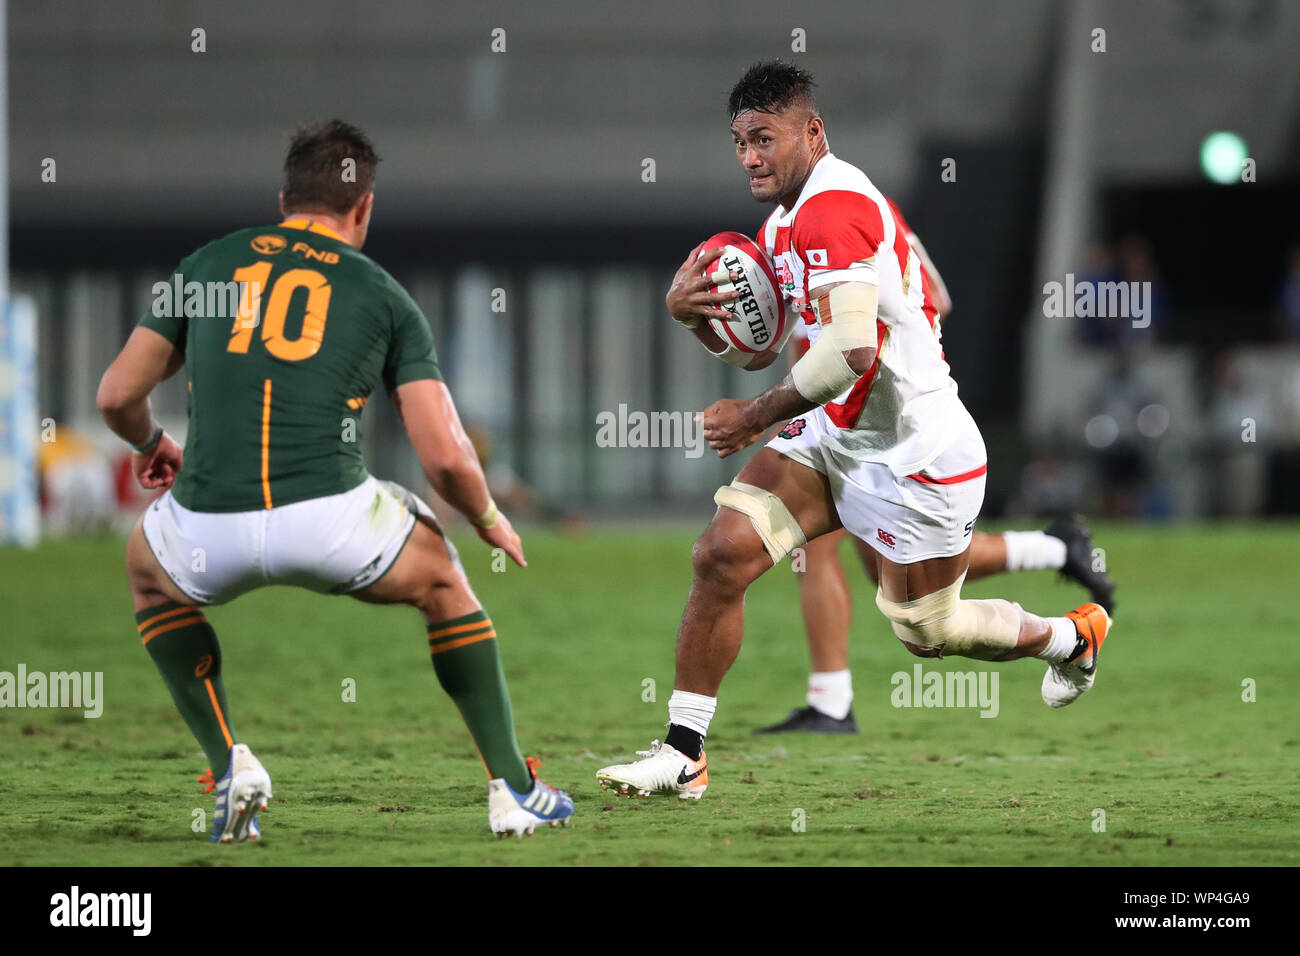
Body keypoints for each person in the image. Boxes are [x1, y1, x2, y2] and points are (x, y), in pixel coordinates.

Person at [598, 62, 1113, 800]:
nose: (749, 156)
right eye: (740, 141)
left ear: (812, 131)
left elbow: (851, 351)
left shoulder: (832, 208)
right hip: (834, 436)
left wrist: (755, 417)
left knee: (928, 633)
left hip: (917, 454)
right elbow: (765, 349)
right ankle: (685, 753)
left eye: (764, 138)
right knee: (722, 555)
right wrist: (690, 318)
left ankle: (1071, 637)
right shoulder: (784, 220)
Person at [96, 120, 572, 841]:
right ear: (365, 209)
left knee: (144, 571)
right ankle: (512, 786)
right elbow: (444, 455)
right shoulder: (382, 295)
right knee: (444, 583)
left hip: (205, 530)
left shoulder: (205, 267)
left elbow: (115, 397)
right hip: (332, 525)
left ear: (285, 197)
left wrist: (154, 442)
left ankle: (231, 768)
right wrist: (485, 519)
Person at [757, 199, 1115, 734]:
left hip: (889, 427)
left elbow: (926, 304)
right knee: (882, 574)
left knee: (902, 603)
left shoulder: (847, 217)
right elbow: (937, 298)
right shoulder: (828, 218)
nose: (755, 159)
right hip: (846, 425)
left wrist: (847, 340)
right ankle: (1058, 548)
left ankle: (831, 699)